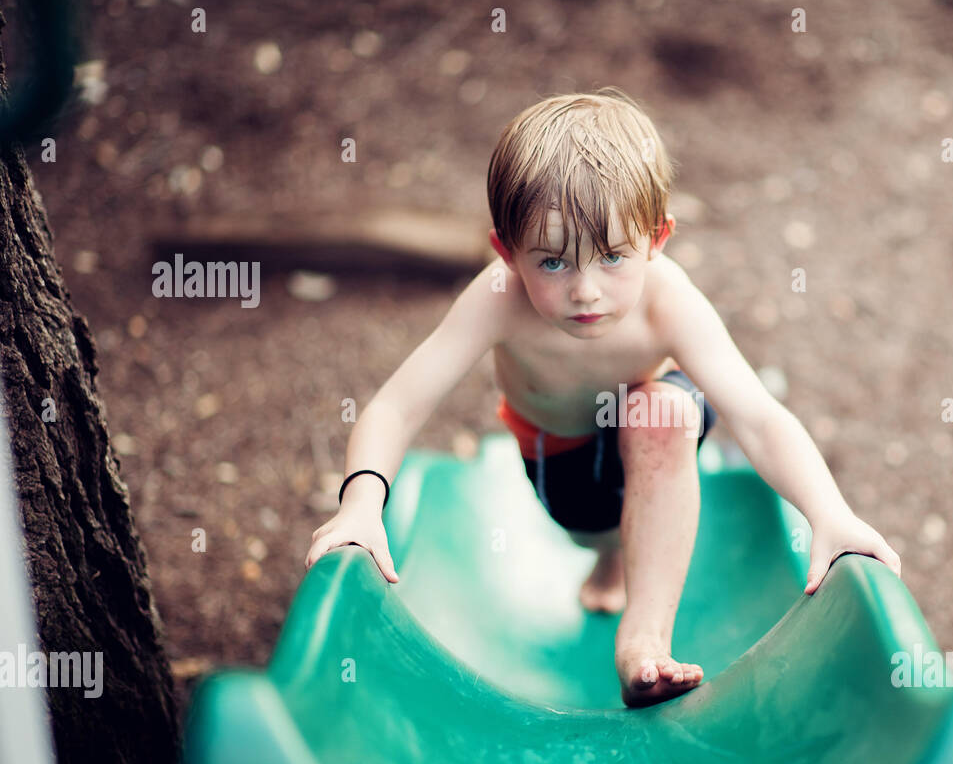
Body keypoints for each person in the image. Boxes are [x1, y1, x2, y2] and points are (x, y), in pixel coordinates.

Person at [304, 87, 900, 707]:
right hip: (559, 455)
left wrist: (828, 514)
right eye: (554, 264)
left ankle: (643, 641)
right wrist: (361, 507)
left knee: (660, 415)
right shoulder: (497, 298)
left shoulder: (668, 300)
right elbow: (397, 405)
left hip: (651, 416)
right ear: (506, 252)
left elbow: (757, 415)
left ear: (657, 238)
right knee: (596, 533)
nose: (586, 291)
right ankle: (610, 558)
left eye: (613, 256)